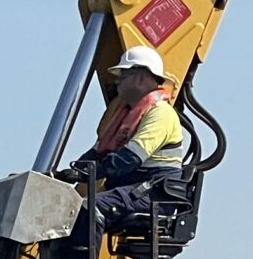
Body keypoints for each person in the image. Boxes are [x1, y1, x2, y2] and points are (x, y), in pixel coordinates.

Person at [62, 44, 191, 235]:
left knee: (88, 210)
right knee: (64, 211)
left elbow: (130, 158)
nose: (118, 81)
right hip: (132, 192)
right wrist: (65, 175)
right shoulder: (126, 117)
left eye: (123, 75)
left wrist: (87, 174)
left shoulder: (161, 113)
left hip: (152, 195)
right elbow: (97, 153)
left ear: (140, 77)